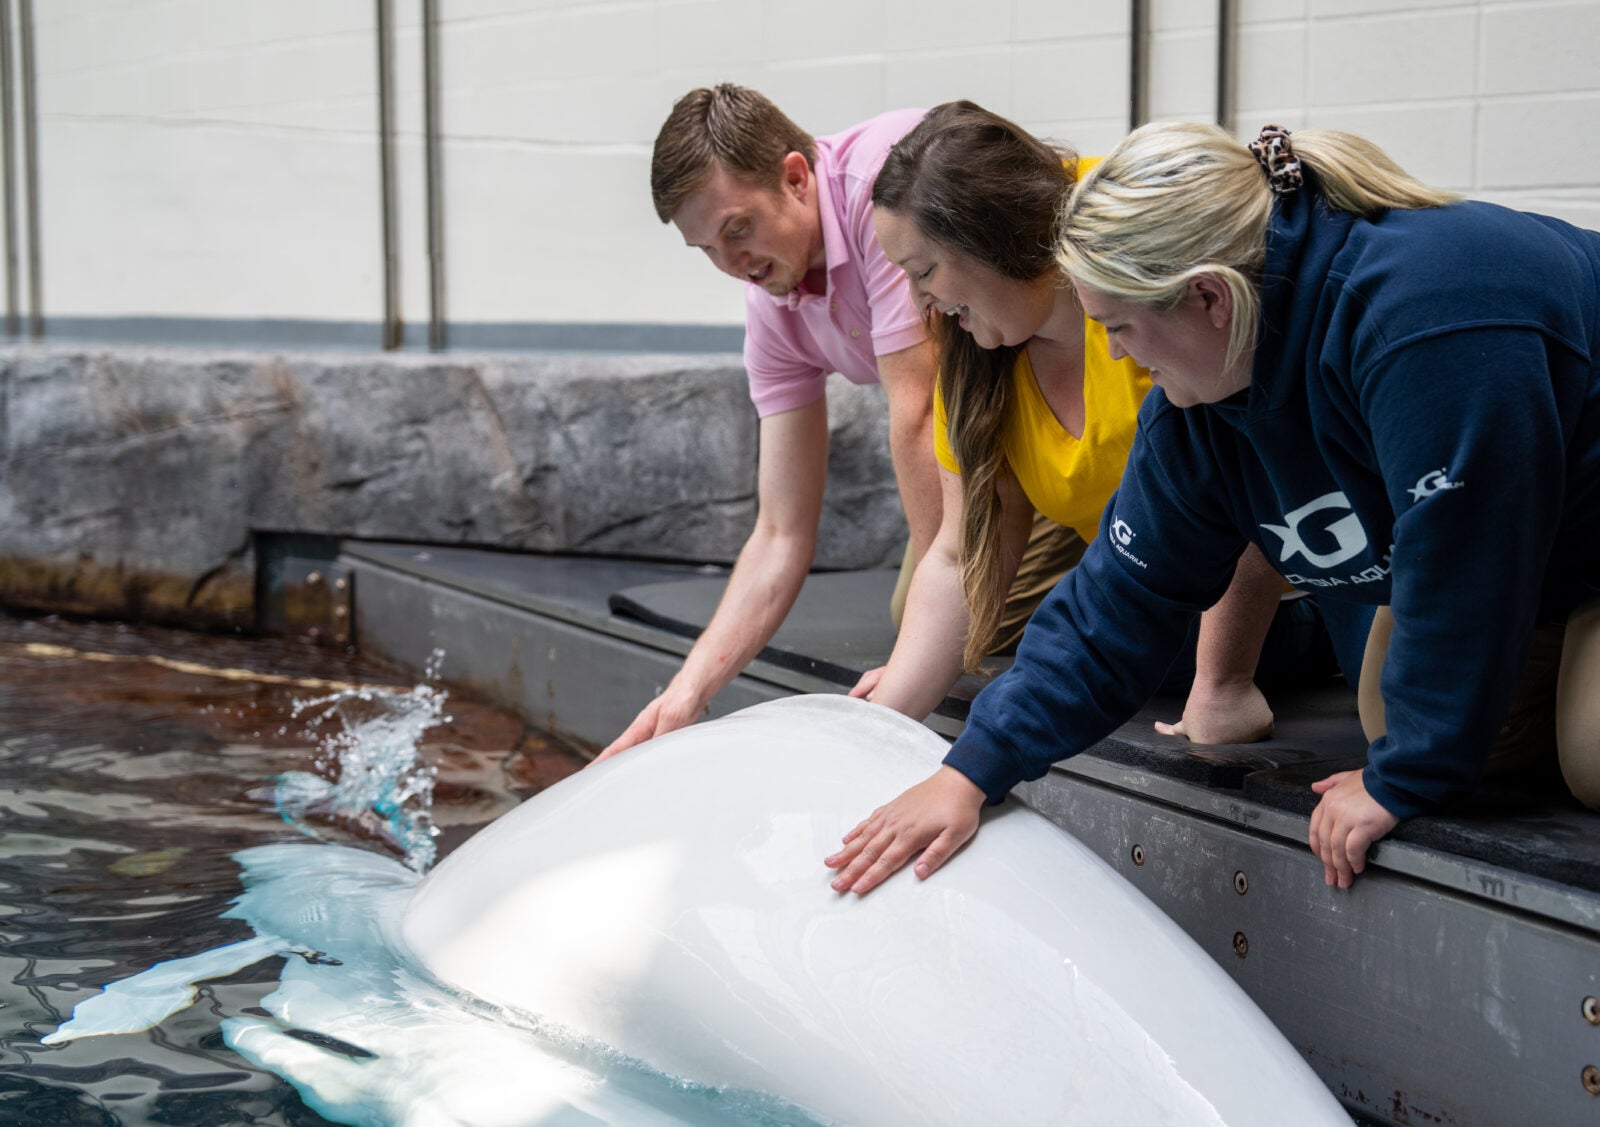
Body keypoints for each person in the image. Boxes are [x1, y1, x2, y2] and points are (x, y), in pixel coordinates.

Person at [826, 120, 1600, 895]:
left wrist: (1406, 779)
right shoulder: (1199, 402)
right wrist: (970, 772)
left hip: (1547, 530)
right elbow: (1115, 607)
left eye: (1121, 328)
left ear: (1209, 297)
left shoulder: (1428, 320)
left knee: (1585, 751)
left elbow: (1462, 564)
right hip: (1520, 539)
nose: (1120, 355)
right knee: (1396, 719)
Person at [600, 86, 1077, 759]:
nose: (730, 264)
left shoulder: (885, 190)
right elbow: (779, 528)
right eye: (706, 248)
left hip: (1059, 388)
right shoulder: (772, 298)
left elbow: (916, 413)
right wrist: (685, 694)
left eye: (737, 228)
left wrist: (921, 655)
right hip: (988, 425)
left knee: (953, 614)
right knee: (933, 608)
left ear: (796, 176)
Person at [849, 101, 1335, 743]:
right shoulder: (980, 350)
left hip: (1288, 592)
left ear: (989, 237)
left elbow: (1243, 487)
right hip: (1154, 593)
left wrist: (1221, 683)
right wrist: (882, 720)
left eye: (923, 272)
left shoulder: (1144, 288)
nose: (920, 302)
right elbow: (962, 552)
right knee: (1038, 632)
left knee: (1097, 637)